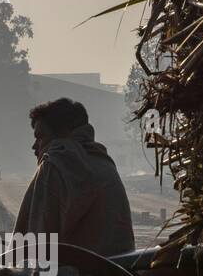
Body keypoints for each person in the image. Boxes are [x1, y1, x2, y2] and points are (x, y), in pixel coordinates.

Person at [13, 98, 134, 256]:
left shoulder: (54, 164)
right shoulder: (105, 163)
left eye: (40, 137)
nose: (35, 146)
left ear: (62, 134)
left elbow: (37, 246)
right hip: (118, 274)